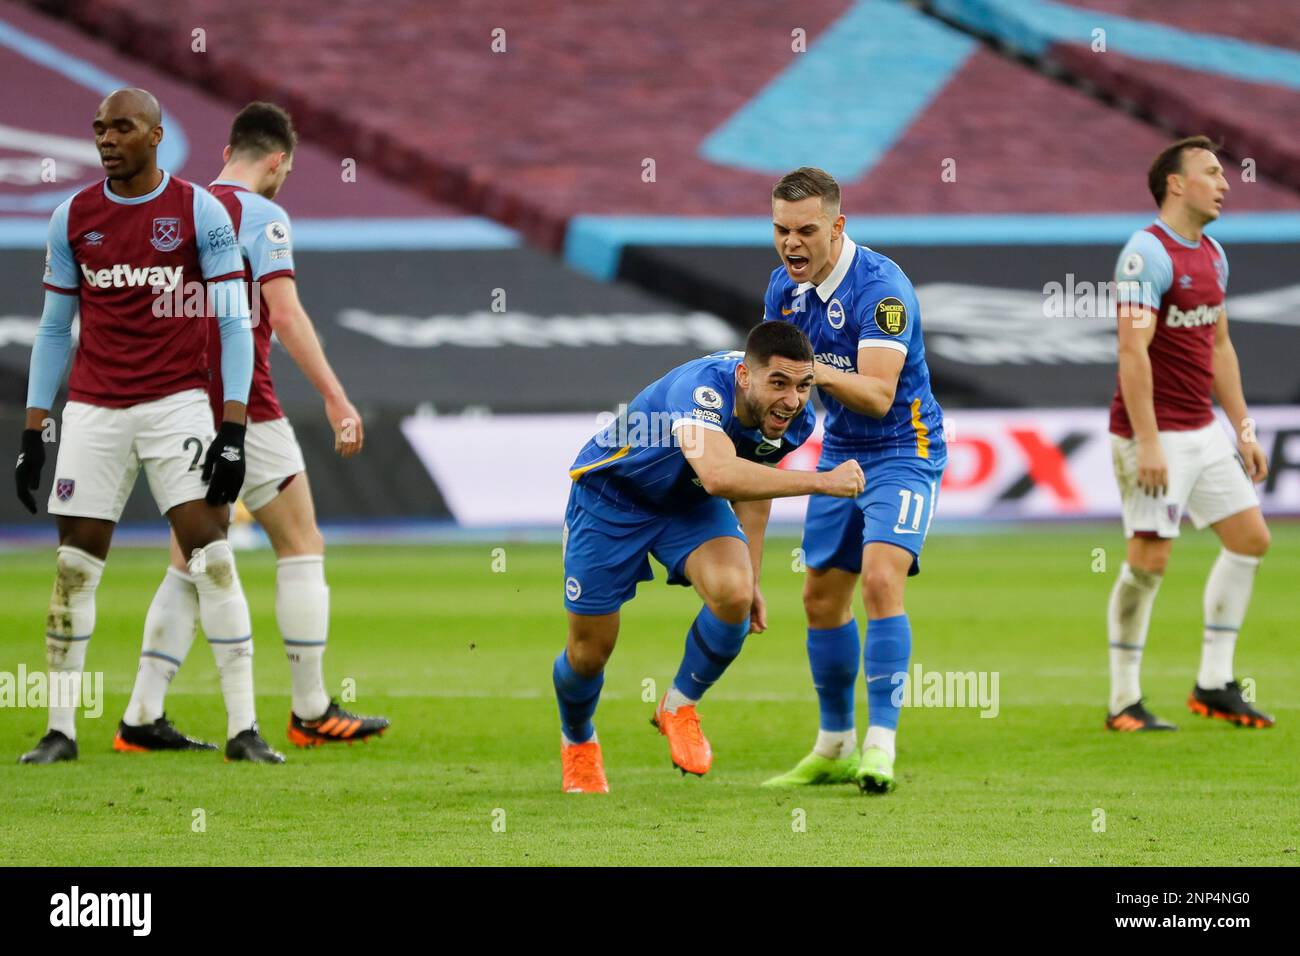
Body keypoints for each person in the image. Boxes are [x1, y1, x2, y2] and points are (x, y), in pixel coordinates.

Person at [14, 88, 282, 764]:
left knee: (212, 556)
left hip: (176, 406)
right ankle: (61, 730)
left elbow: (232, 319)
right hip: (96, 411)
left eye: (122, 128)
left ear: (156, 136)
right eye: (100, 129)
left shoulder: (197, 211)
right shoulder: (71, 216)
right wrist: (33, 429)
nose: (107, 139)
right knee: (75, 568)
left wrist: (232, 428)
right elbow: (52, 328)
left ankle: (244, 728)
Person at [112, 102, 389, 753]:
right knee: (301, 542)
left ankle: (141, 716)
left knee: (191, 556)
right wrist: (336, 398)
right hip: (244, 407)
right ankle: (311, 708)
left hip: (172, 403)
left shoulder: (173, 209)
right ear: (274, 161)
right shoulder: (261, 215)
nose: (283, 179)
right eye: (285, 170)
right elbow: (286, 316)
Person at [556, 321, 864, 792]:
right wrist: (823, 482)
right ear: (744, 375)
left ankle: (678, 705)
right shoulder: (700, 390)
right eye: (778, 383)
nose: (793, 399)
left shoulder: (794, 421)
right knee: (589, 652)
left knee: (733, 596)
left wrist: (753, 578)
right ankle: (578, 741)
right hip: (612, 500)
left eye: (803, 386)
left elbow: (755, 492)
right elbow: (720, 474)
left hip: (688, 505)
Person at [760, 167, 946, 794]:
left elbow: (876, 394)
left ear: (837, 227)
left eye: (806, 230)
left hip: (903, 448)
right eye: (782, 230)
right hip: (840, 451)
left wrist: (808, 370)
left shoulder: (882, 291)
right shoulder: (782, 292)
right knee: (818, 598)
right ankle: (834, 745)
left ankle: (880, 746)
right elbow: (787, 391)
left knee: (881, 577)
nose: (792, 244)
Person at [1105, 136, 1273, 732]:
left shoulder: (1213, 254)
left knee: (1251, 538)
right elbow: (1132, 350)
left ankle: (1214, 683)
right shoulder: (1145, 256)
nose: (1225, 183)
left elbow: (1220, 345)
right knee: (1150, 560)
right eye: (1211, 172)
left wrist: (1244, 429)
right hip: (1153, 435)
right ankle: (1123, 701)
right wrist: (1148, 441)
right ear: (1176, 184)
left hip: (1203, 431)